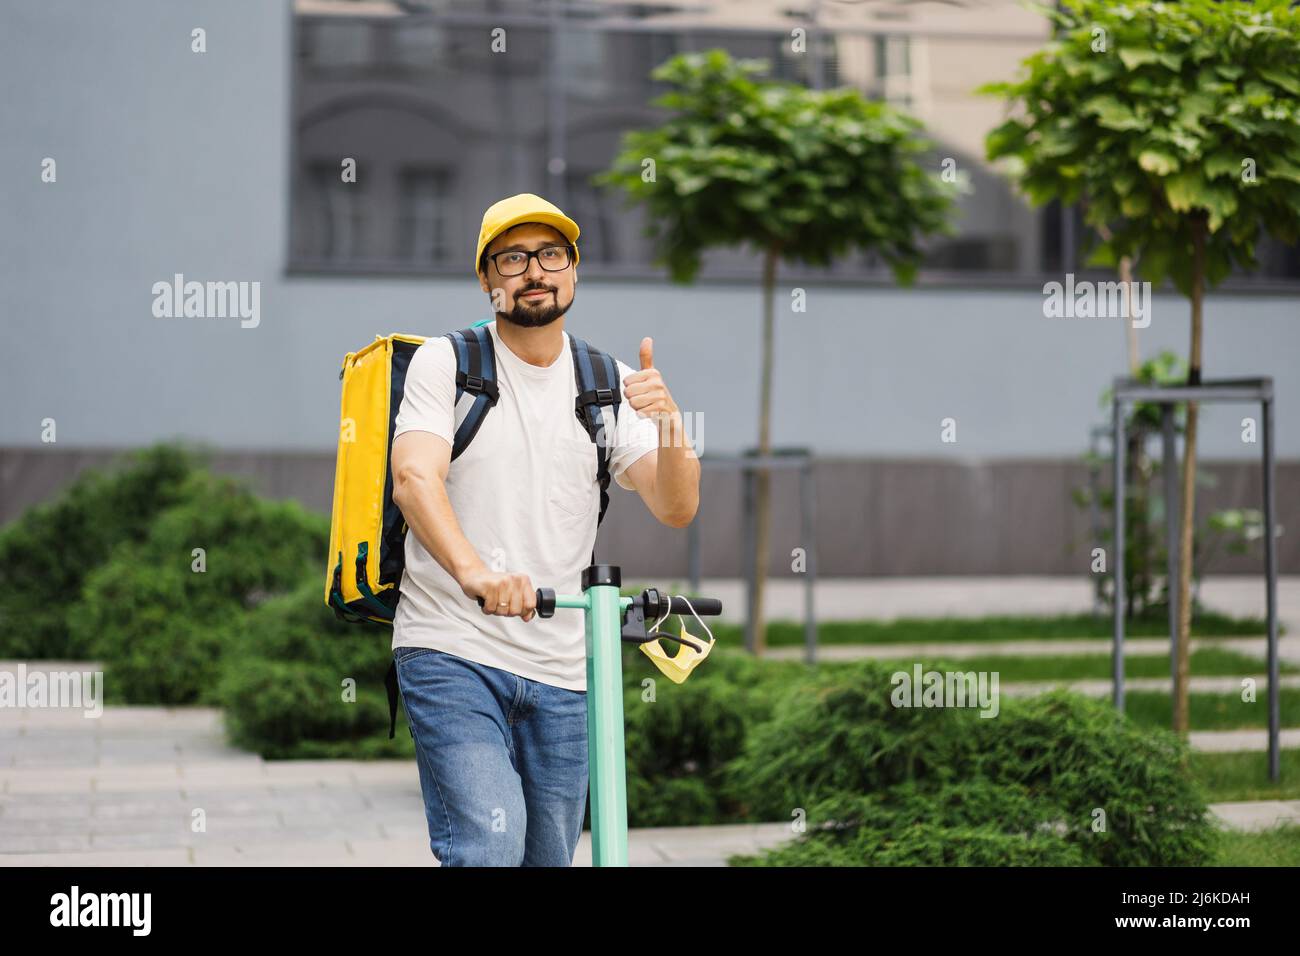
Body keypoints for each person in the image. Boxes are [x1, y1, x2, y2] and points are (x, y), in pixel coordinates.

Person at [388, 193, 701, 866]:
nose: (535, 271)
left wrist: (672, 426)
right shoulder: (447, 363)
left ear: (574, 270)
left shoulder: (606, 381)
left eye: (551, 254)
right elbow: (414, 478)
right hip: (453, 647)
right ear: (487, 280)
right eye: (513, 258)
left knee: (547, 860)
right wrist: (475, 574)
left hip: (564, 667)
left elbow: (675, 506)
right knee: (488, 847)